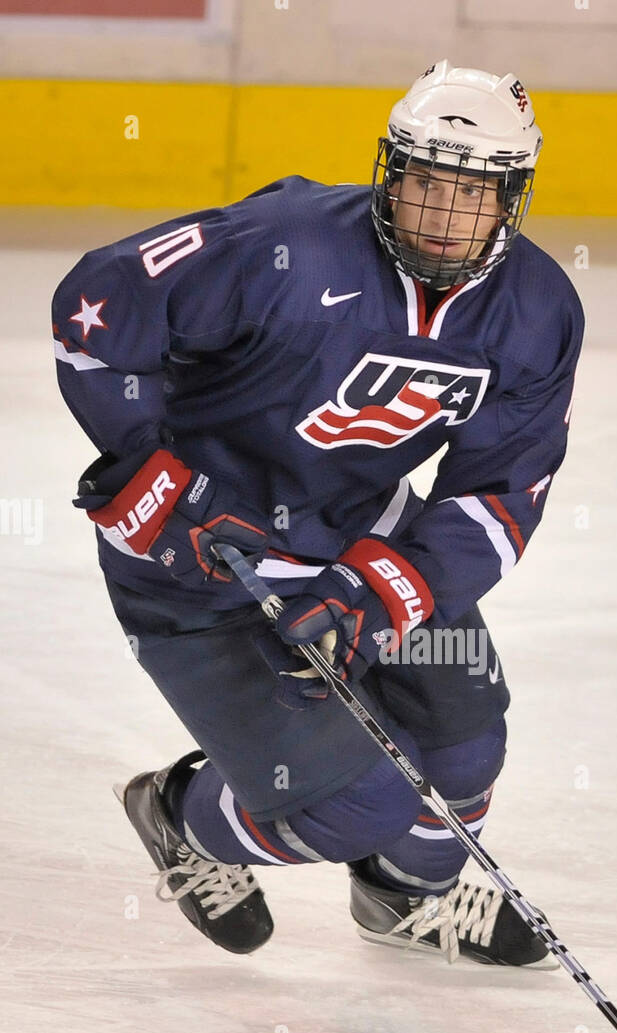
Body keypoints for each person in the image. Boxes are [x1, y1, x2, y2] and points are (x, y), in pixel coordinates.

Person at [52, 59, 585, 967]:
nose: (444, 213)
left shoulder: (536, 311)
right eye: (424, 180)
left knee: (465, 746)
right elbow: (98, 315)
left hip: (357, 533)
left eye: (474, 191)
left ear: (513, 196)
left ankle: (402, 901)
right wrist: (150, 476)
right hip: (196, 567)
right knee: (352, 806)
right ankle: (181, 815)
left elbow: (501, 493)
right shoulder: (281, 243)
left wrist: (380, 595)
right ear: (392, 171)